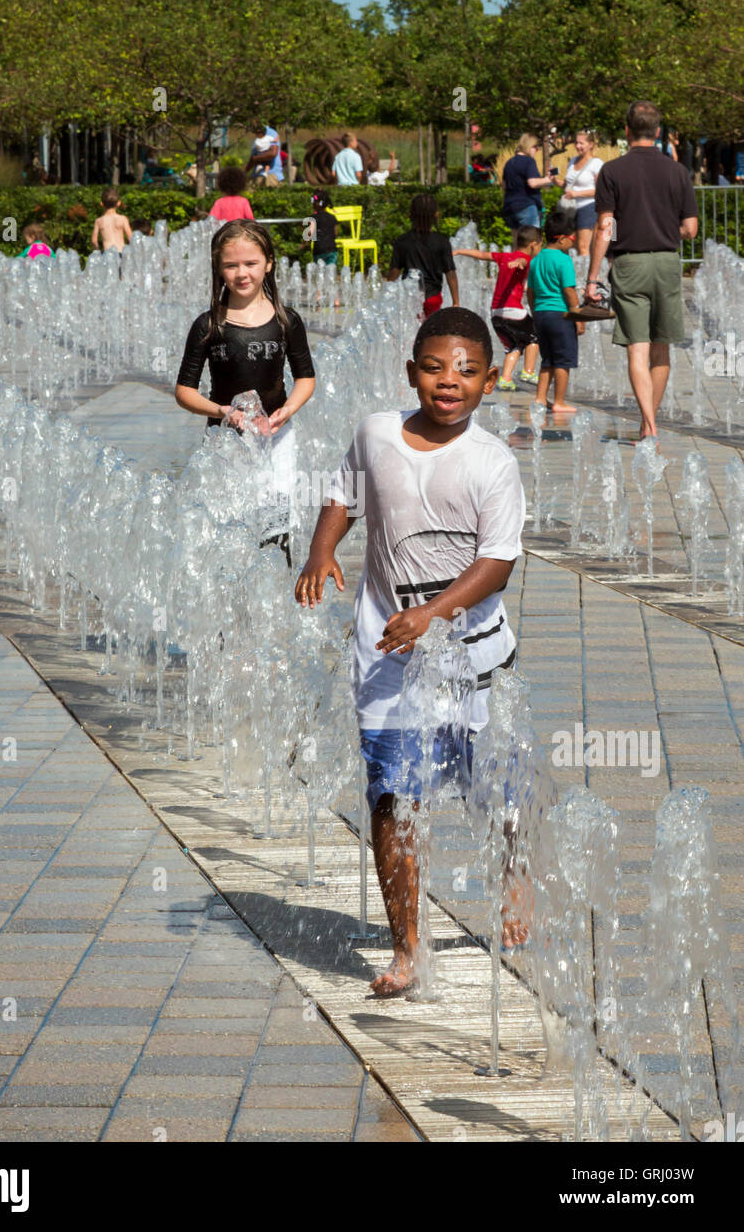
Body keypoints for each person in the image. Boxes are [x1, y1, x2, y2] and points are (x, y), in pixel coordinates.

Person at [295, 306, 527, 993]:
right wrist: (320, 550)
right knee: (392, 798)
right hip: (387, 658)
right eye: (433, 368)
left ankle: (516, 880)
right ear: (411, 374)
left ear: (488, 380)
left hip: (474, 655)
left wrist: (431, 612)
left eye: (465, 370)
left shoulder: (493, 463)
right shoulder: (376, 436)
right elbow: (341, 495)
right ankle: (406, 949)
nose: (448, 381)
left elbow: (498, 563)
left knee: (498, 790)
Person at [174, 222, 316, 564]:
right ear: (218, 269)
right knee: (229, 518)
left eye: (251, 263)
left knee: (276, 515)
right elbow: (184, 392)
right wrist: (224, 412)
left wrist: (289, 410)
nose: (241, 273)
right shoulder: (208, 325)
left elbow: (306, 379)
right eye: (231, 265)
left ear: (268, 262)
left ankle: (276, 588)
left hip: (277, 435)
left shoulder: (286, 320)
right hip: (225, 438)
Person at [584, 100, 699, 440]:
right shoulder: (677, 172)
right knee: (661, 348)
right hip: (666, 262)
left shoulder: (613, 171)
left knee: (638, 347)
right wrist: (663, 229)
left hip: (628, 264)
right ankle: (650, 425)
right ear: (659, 132)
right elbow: (690, 228)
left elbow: (607, 226)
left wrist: (592, 278)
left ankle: (648, 423)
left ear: (627, 131)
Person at [454, 226, 542, 389]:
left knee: (514, 345)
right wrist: (519, 262)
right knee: (535, 335)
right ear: (533, 245)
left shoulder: (504, 256)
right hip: (513, 310)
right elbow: (523, 261)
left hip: (496, 312)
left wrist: (460, 251)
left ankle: (505, 379)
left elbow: (481, 255)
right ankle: (528, 371)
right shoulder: (526, 259)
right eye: (539, 246)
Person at [527, 208, 583, 415]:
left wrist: (535, 313)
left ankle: (540, 399)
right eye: (572, 238)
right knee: (563, 361)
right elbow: (568, 291)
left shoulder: (536, 260)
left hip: (541, 314)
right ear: (561, 239)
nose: (574, 242)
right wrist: (577, 317)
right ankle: (559, 401)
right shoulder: (563, 260)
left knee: (547, 360)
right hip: (560, 315)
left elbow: (530, 291)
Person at [386, 194, 459, 316]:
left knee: (410, 328)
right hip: (432, 299)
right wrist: (456, 302)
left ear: (411, 215)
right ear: (436, 215)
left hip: (409, 296)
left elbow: (394, 271)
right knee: (428, 330)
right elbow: (450, 272)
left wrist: (386, 292)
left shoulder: (402, 241)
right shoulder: (442, 241)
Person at [502, 134, 557, 247]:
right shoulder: (529, 161)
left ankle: (516, 264)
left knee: (517, 243)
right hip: (526, 207)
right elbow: (532, 183)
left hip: (510, 208)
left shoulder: (509, 163)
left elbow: (504, 186)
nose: (537, 150)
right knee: (532, 243)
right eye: (536, 147)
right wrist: (547, 180)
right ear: (529, 146)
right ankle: (532, 265)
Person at [559, 131, 604, 256]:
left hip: (587, 207)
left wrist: (576, 194)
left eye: (581, 143)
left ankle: (586, 274)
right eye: (576, 142)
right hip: (569, 209)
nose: (577, 146)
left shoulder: (597, 164)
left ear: (591, 144)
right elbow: (568, 184)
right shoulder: (573, 161)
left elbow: (601, 190)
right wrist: (553, 180)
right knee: (567, 245)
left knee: (583, 246)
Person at [92, 189, 133, 253]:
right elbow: (131, 238)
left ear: (101, 204)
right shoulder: (123, 219)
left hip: (107, 254)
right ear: (118, 203)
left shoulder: (99, 221)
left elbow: (94, 241)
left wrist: (98, 253)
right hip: (121, 252)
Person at [246, 121, 283, 186]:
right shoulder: (258, 137)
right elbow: (252, 160)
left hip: (270, 176)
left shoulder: (270, 133)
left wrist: (254, 158)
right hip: (256, 175)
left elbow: (272, 153)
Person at [309, 190, 339, 267]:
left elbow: (309, 234)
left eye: (313, 202)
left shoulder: (313, 218)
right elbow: (335, 233)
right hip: (332, 250)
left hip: (319, 251)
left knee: (320, 274)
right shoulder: (332, 217)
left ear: (317, 204)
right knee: (330, 273)